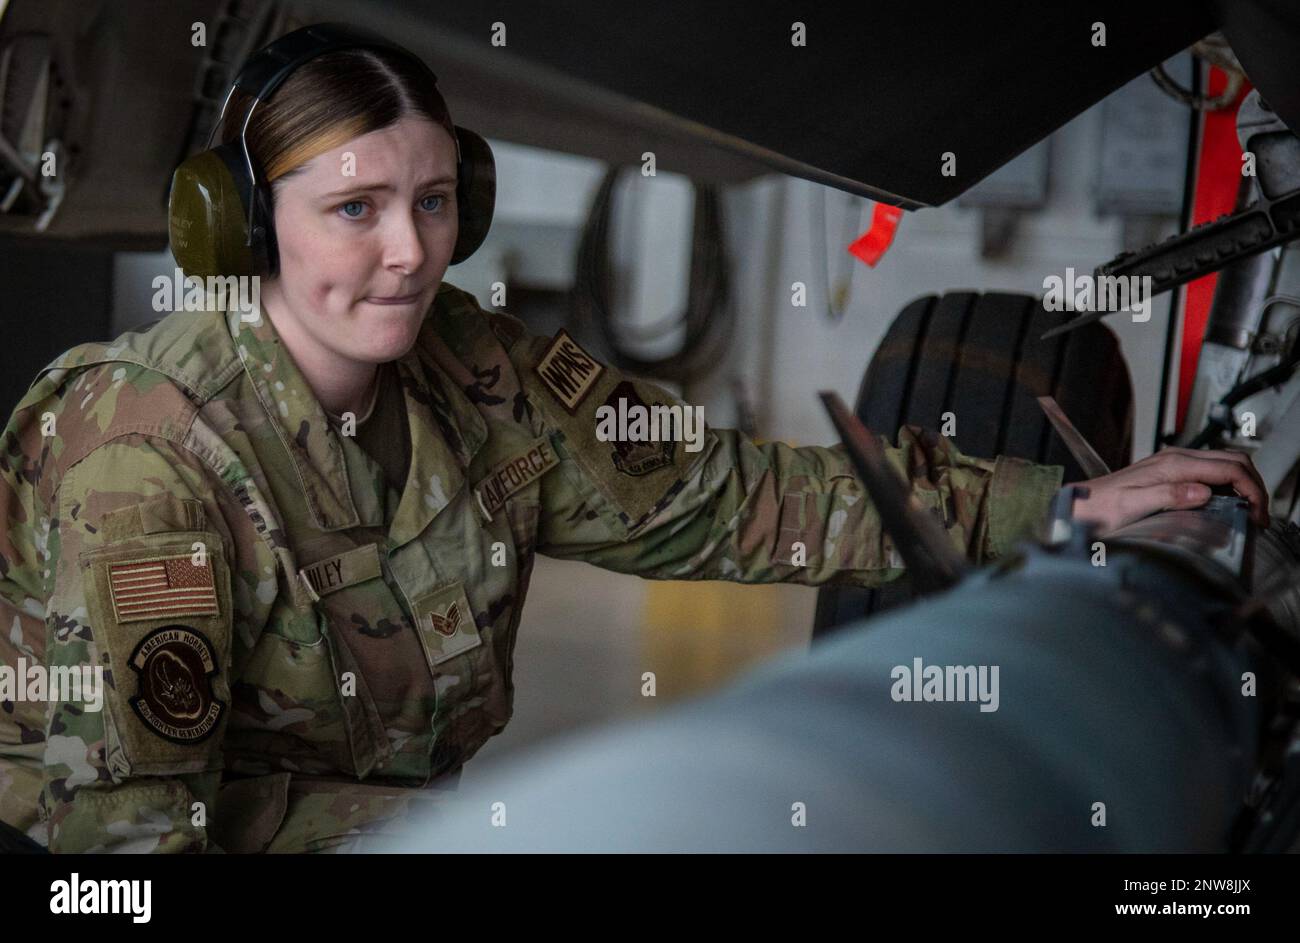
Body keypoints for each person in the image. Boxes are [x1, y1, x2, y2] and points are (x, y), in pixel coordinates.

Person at [0, 24, 1269, 853]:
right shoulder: (144, 452)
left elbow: (723, 496)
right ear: (246, 228)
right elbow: (117, 852)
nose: (407, 253)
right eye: (353, 210)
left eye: (433, 202)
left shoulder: (476, 366)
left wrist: (1054, 509)